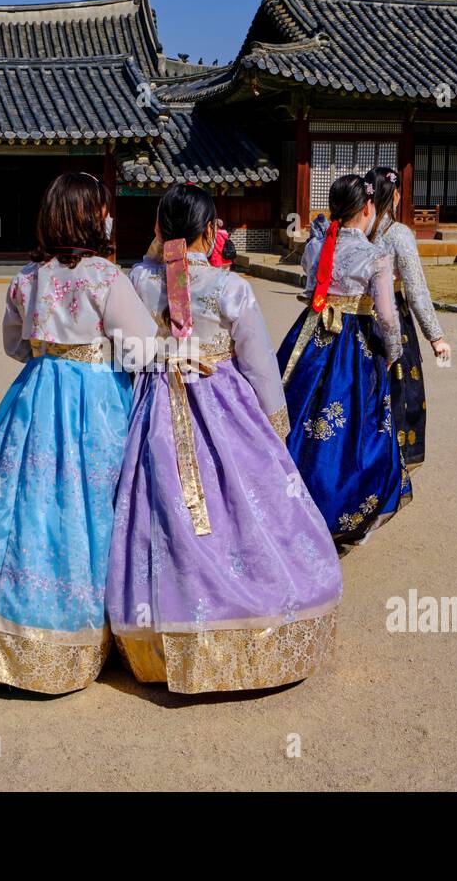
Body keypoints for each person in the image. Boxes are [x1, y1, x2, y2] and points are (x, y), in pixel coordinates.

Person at [106, 184, 342, 694]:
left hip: (155, 400)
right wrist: (274, 425)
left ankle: (165, 626)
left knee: (161, 505)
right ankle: (248, 618)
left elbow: (126, 350)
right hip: (222, 399)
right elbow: (257, 363)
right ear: (211, 231)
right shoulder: (230, 287)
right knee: (239, 501)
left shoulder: (138, 280)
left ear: (159, 229)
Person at [0, 173, 157, 694]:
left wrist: (51, 349)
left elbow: (15, 345)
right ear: (90, 216)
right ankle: (92, 627)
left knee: (24, 496)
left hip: (36, 393)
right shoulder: (106, 277)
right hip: (97, 400)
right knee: (94, 501)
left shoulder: (26, 278)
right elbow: (141, 348)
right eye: (102, 208)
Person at [277, 173, 411, 549]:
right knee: (358, 425)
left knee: (303, 416)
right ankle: (347, 510)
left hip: (310, 338)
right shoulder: (375, 257)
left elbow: (309, 290)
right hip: (355, 346)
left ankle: (293, 504)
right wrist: (393, 352)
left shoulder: (316, 248)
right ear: (368, 208)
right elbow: (386, 317)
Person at [370, 167, 450, 469]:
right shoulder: (398, 233)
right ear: (395, 195)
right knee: (400, 392)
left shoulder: (353, 232)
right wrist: (436, 335)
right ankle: (396, 461)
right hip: (393, 319)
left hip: (360, 319)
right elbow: (416, 290)